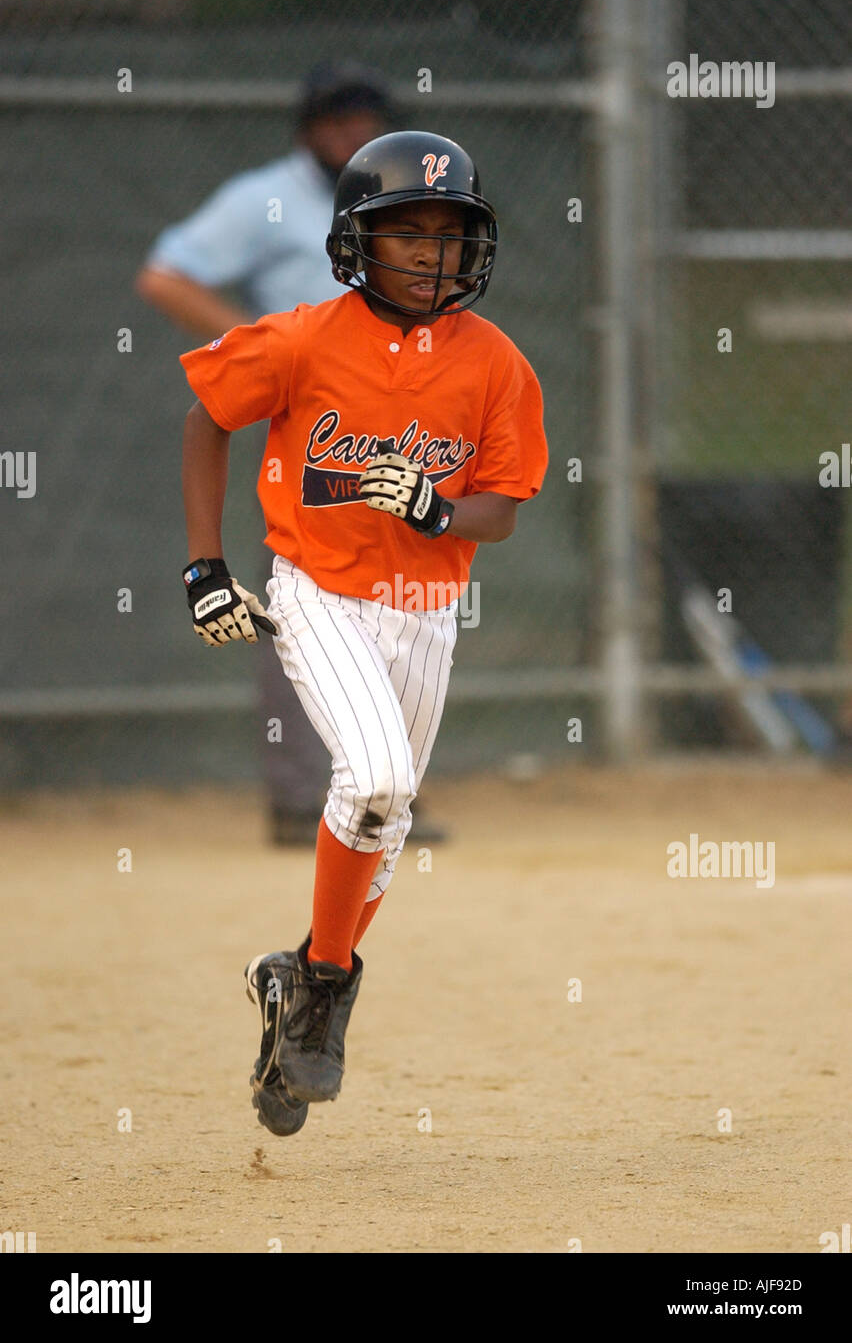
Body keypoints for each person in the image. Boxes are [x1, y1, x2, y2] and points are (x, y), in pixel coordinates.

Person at [178, 130, 548, 1137]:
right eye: (407, 231)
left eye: (451, 232)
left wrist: (437, 508)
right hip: (319, 589)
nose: (432, 252)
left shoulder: (499, 365)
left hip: (428, 614)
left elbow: (502, 508)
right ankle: (329, 982)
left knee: (379, 832)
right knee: (378, 780)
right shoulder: (302, 338)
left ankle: (289, 984)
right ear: (355, 242)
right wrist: (206, 569)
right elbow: (211, 409)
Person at [137, 61, 392, 845]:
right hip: (308, 428)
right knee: (303, 599)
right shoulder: (267, 198)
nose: (353, 134)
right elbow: (165, 276)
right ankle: (297, 800)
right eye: (336, 121)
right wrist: (250, 356)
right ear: (306, 131)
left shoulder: (396, 193)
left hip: (397, 420)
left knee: (398, 601)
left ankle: (379, 791)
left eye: (366, 119)